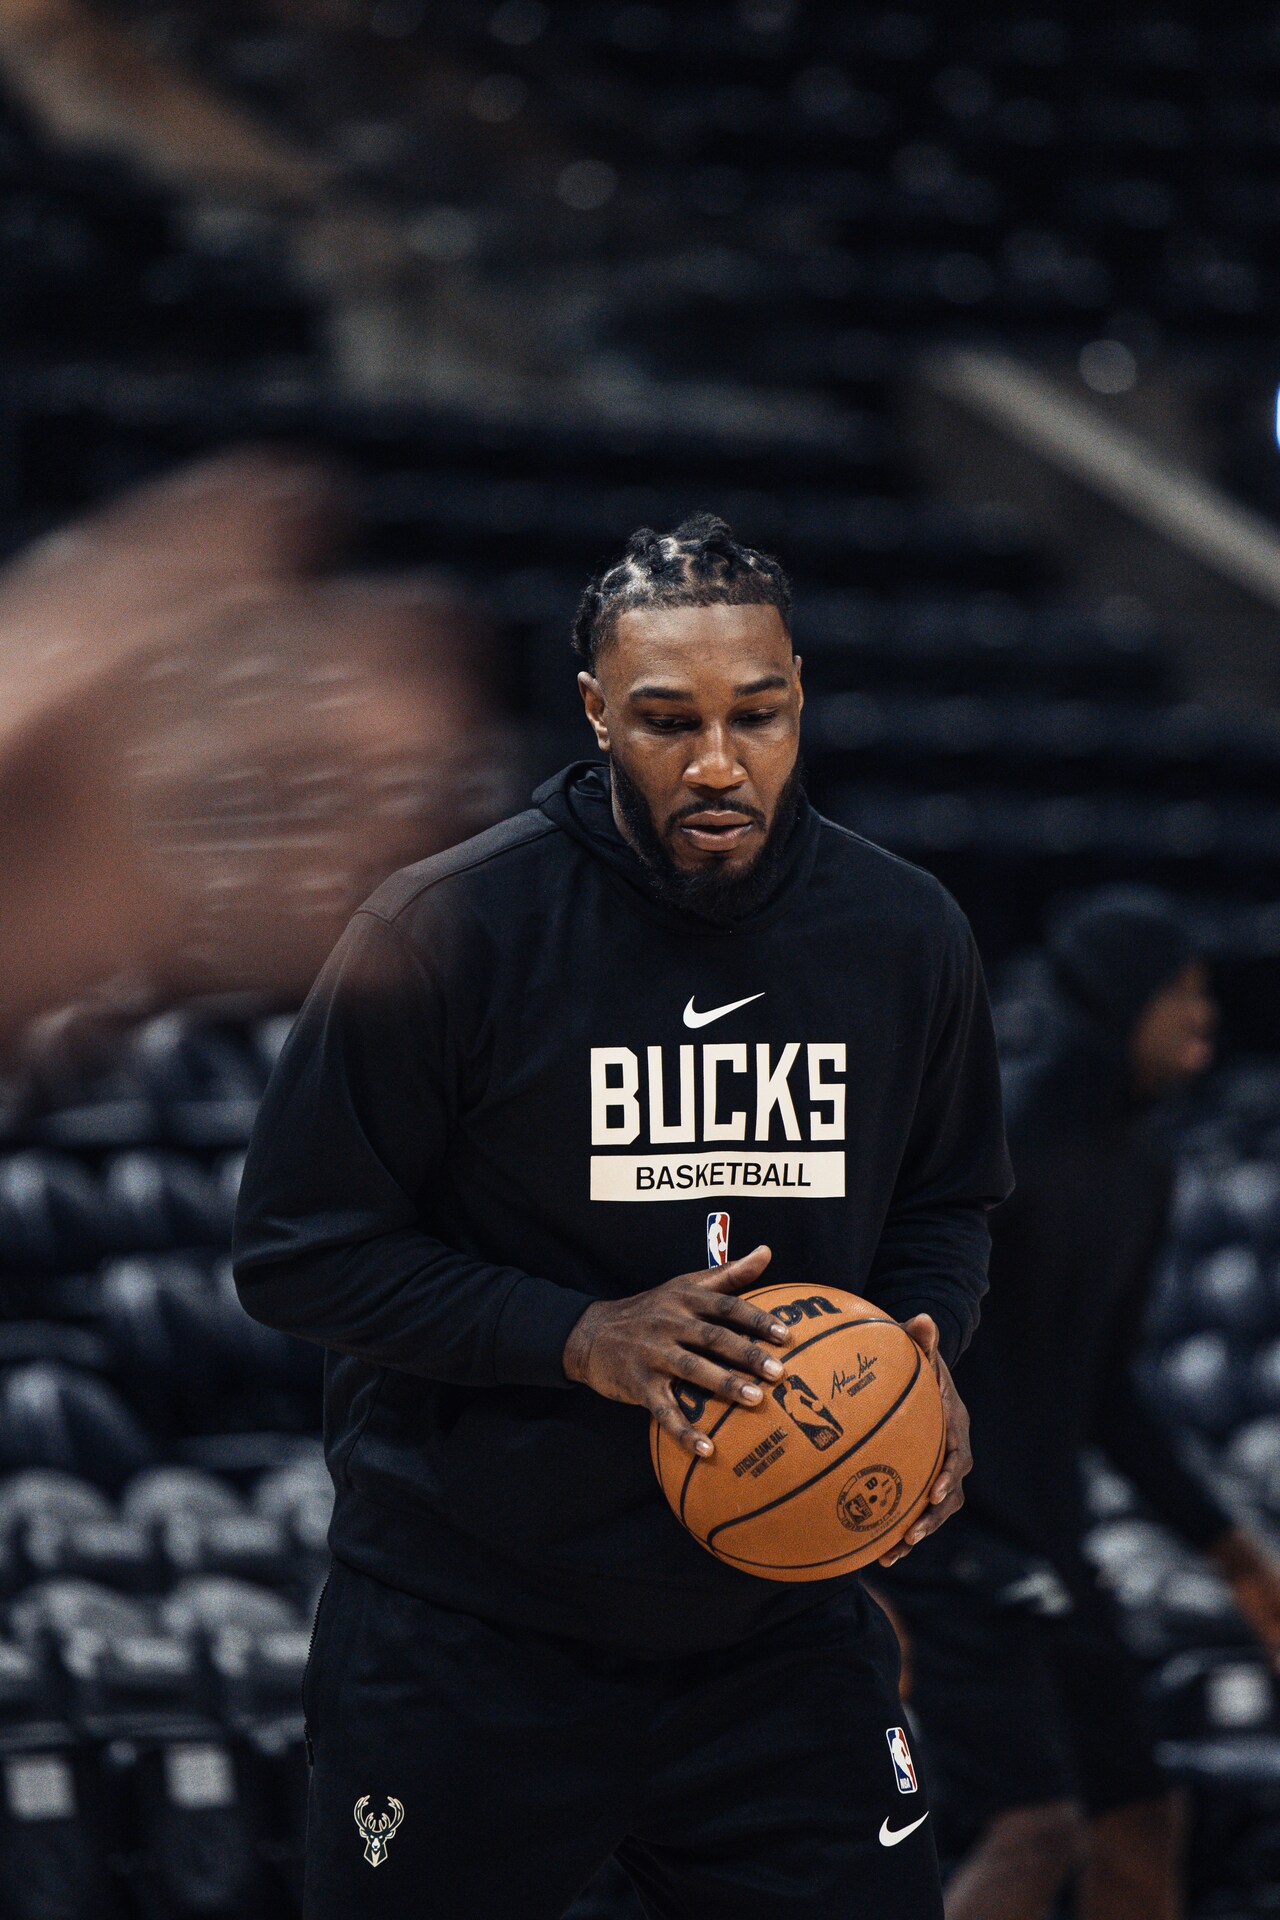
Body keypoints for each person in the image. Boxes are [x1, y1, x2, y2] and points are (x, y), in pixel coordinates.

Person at [232, 513, 1012, 1919]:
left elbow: (947, 1200)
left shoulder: (905, 934)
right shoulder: (444, 932)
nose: (718, 763)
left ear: (798, 696)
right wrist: (581, 1335)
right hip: (475, 1631)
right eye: (667, 722)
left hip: (777, 1633)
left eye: (756, 717)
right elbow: (299, 1252)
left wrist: (919, 1351)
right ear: (595, 711)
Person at [883, 887, 1280, 1920]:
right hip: (955, 1555)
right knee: (1032, 1827)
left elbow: (1103, 1396)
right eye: (1177, 993)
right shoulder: (985, 1146)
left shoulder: (1140, 1176)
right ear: (1117, 999)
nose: (1200, 1015)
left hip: (1055, 1553)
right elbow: (892, 1359)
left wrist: (1229, 1552)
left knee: (1140, 1815)